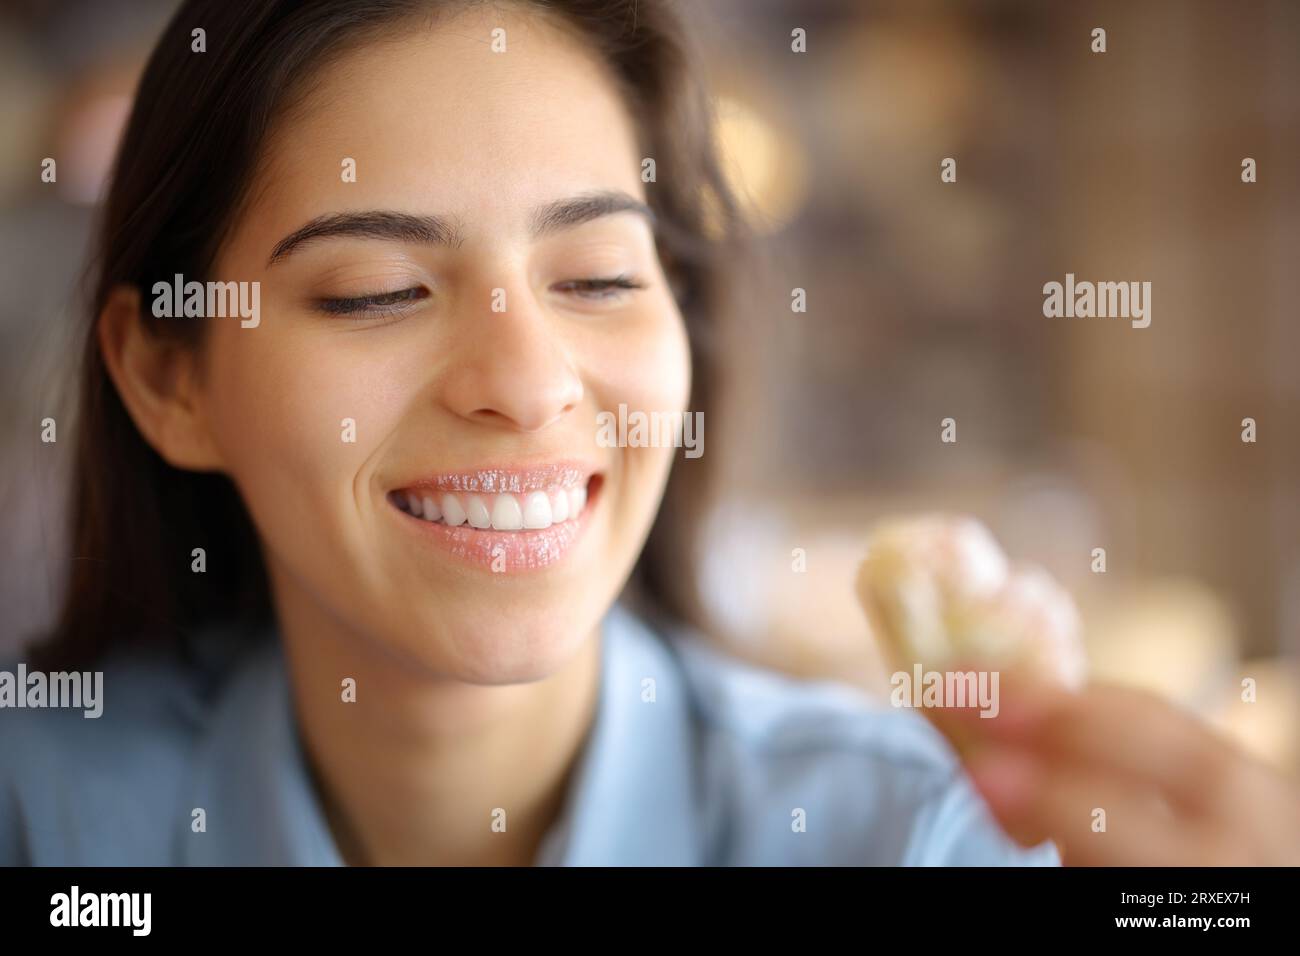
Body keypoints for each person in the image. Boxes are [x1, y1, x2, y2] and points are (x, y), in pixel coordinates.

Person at [2, 0, 1294, 867]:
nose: (524, 380)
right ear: (169, 376)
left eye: (601, 278)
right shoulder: (42, 819)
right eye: (375, 291)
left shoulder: (894, 834)